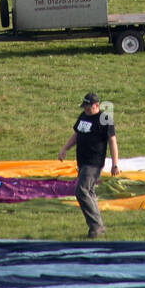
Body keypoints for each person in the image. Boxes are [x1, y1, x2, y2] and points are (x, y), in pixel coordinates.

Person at [57, 93, 120, 238]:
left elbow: (112, 141)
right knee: (89, 192)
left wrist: (115, 164)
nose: (85, 109)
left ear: (96, 105)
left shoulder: (104, 119)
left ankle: (96, 226)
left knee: (81, 190)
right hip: (82, 161)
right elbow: (76, 135)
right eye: (84, 106)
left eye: (88, 106)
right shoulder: (83, 116)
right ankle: (98, 225)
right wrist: (65, 149)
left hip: (94, 162)